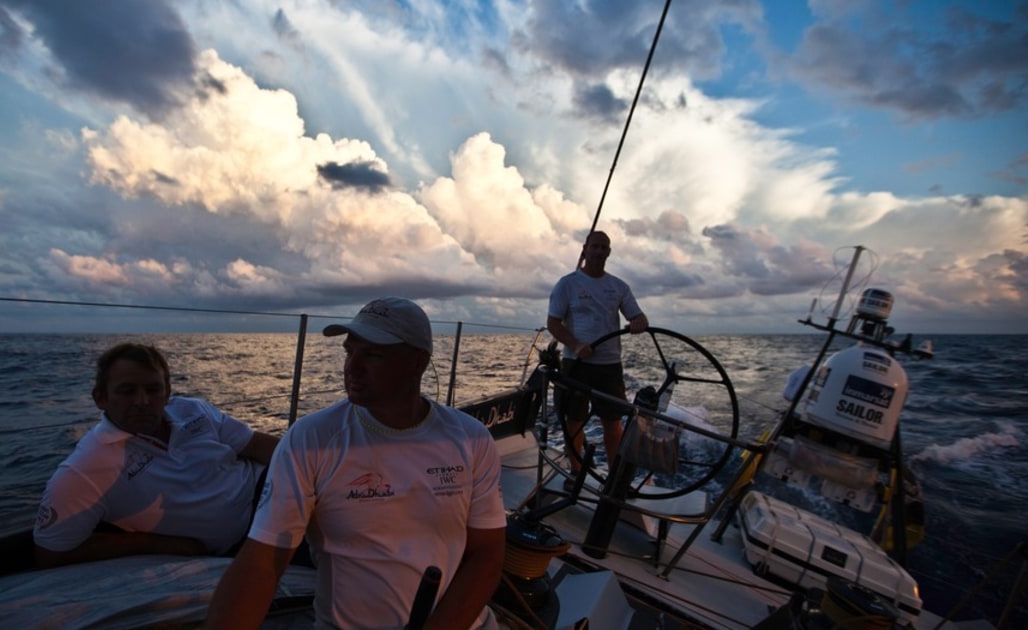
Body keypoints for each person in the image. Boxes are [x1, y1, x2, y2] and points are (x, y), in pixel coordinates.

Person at [207, 297, 506, 629]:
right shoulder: (312, 439)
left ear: (417, 363)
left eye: (372, 355)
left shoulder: (471, 439)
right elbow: (263, 560)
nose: (352, 367)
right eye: (350, 352)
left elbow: (486, 553)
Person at [33, 342, 279, 568]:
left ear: (167, 391)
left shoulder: (191, 410)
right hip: (249, 540)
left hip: (274, 489)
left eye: (153, 389)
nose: (142, 401)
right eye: (127, 391)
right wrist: (160, 544)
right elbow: (52, 552)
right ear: (101, 398)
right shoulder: (85, 469)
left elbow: (256, 445)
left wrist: (301, 467)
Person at [547, 230, 649, 480]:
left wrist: (639, 322)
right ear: (585, 249)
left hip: (609, 366)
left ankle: (614, 478)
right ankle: (575, 471)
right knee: (574, 420)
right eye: (595, 246)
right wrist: (576, 344)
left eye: (604, 247)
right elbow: (553, 323)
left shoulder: (619, 287)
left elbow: (638, 316)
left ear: (609, 252)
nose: (599, 251)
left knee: (613, 422)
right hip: (576, 363)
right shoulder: (567, 284)